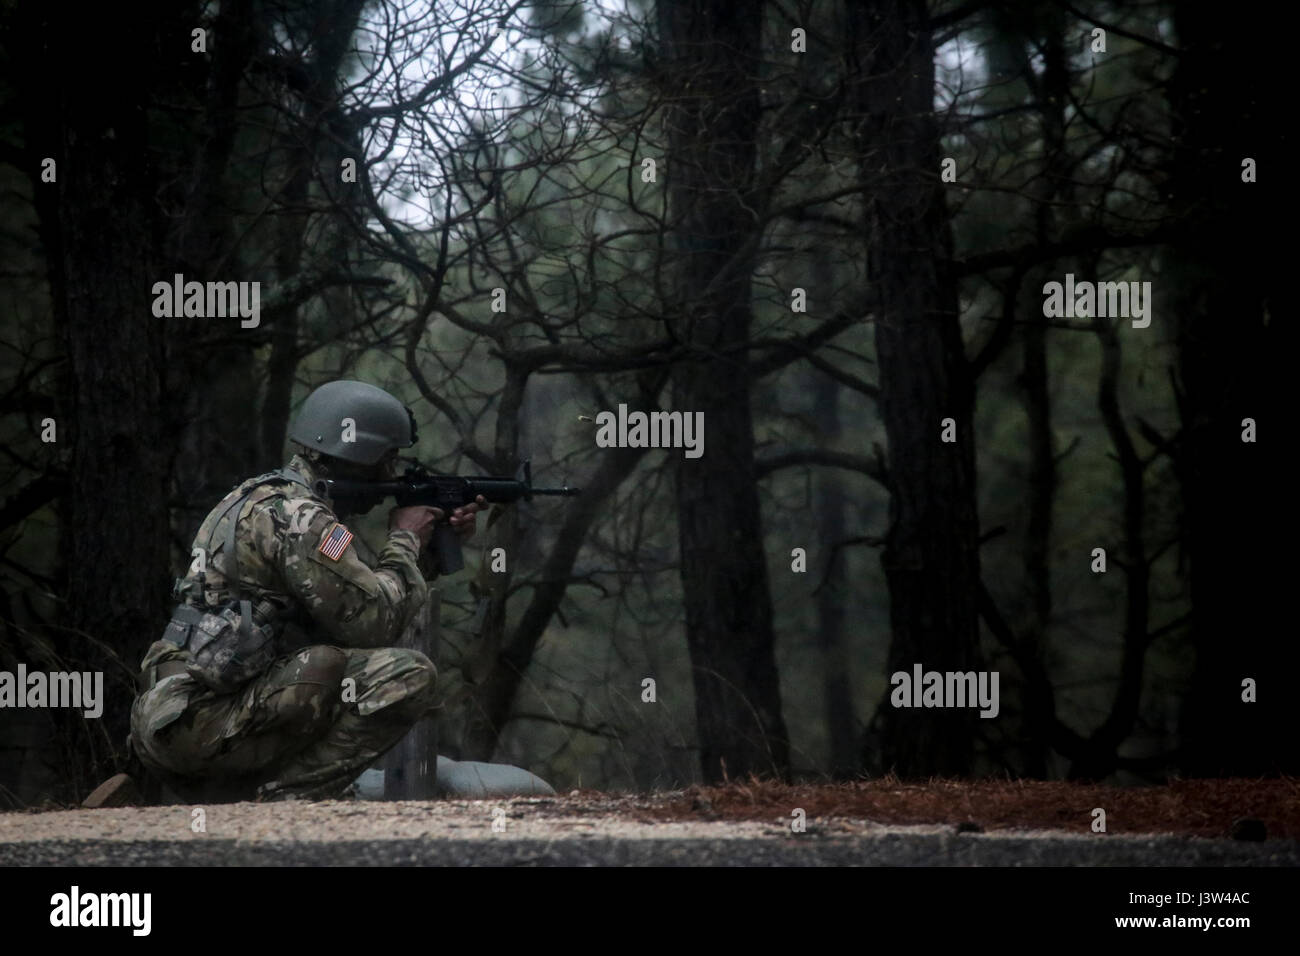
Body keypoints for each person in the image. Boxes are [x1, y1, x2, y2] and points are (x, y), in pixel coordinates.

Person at [83, 380, 483, 806]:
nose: (392, 475)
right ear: (359, 456)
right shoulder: (303, 520)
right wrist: (404, 539)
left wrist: (426, 553)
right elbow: (373, 623)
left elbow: (347, 605)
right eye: (388, 460)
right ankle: (283, 801)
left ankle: (218, 797)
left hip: (172, 715)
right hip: (204, 720)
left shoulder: (261, 496)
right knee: (406, 675)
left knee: (325, 664)